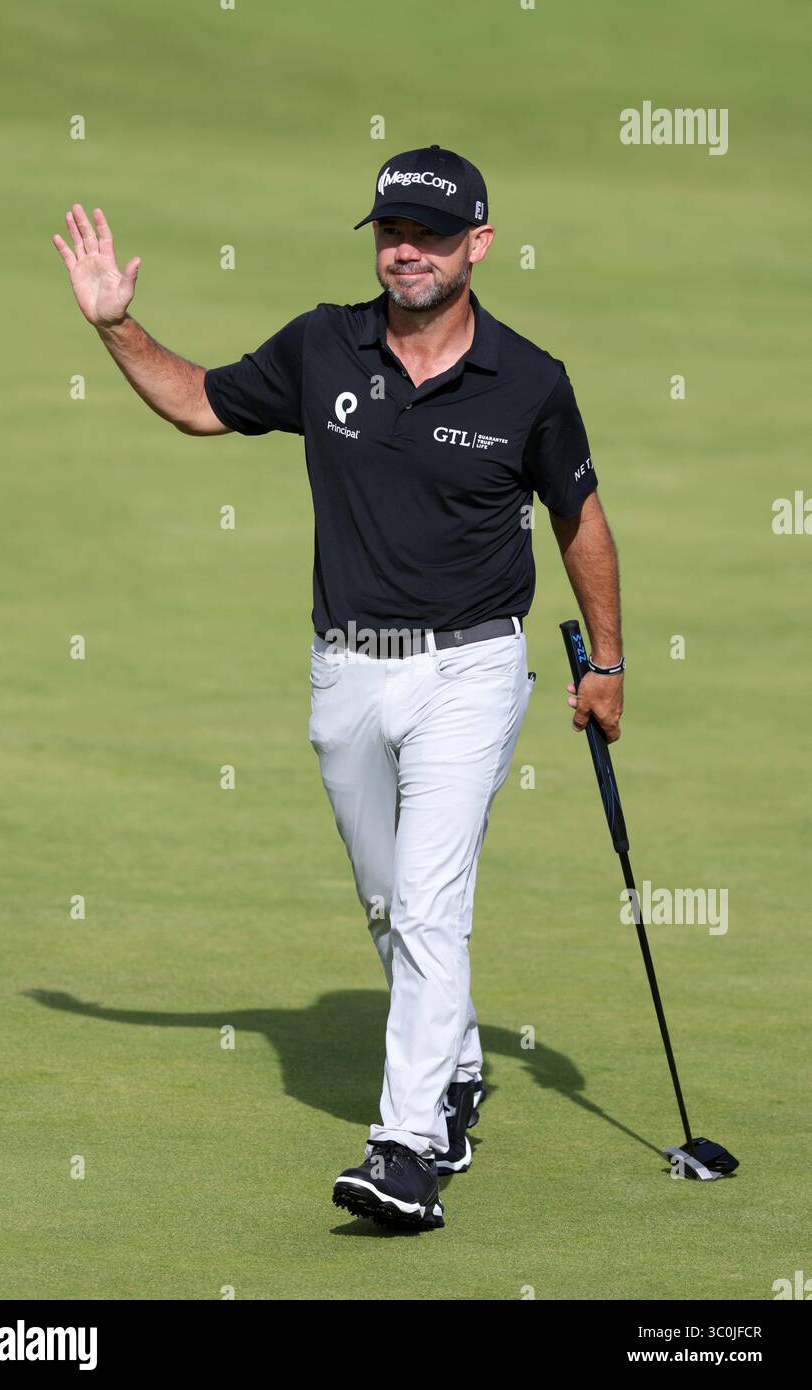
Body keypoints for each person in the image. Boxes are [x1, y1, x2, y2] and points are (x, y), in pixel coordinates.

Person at [52, 143, 624, 1232]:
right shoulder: (326, 344)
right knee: (386, 901)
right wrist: (114, 325)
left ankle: (405, 1150)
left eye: (429, 234)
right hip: (347, 671)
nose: (404, 251)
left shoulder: (530, 381)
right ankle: (454, 1070)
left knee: (424, 900)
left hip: (472, 665)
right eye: (389, 232)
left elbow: (578, 519)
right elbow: (199, 403)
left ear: (479, 246)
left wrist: (605, 661)